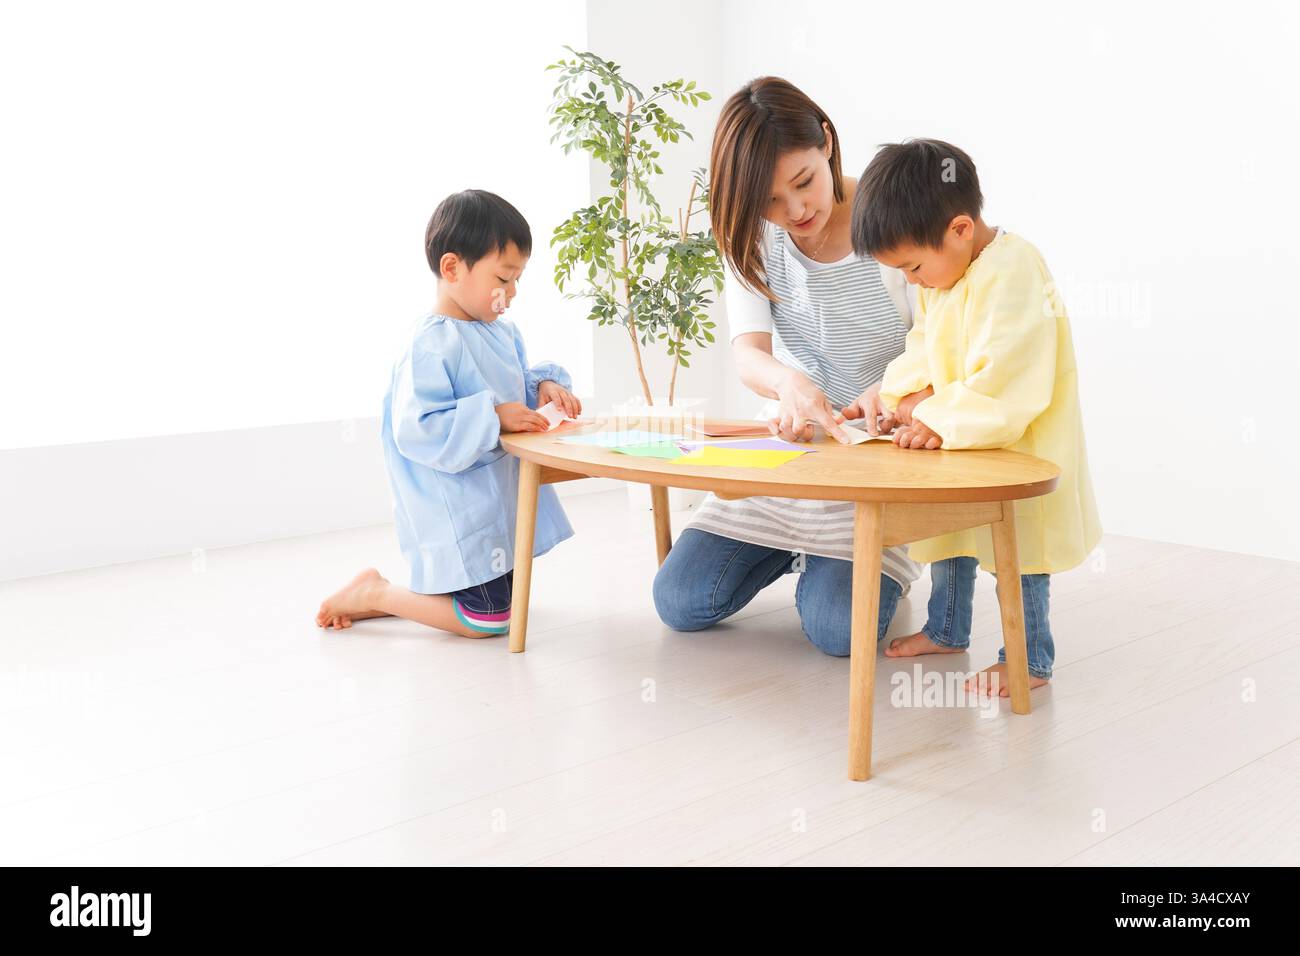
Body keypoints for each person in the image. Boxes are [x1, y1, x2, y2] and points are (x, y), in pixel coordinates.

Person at [652, 76, 923, 656]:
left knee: (837, 630)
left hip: (877, 452)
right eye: (771, 202)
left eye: (804, 183)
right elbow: (749, 352)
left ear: (826, 141)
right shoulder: (751, 235)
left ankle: (840, 567)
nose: (796, 211)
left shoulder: (894, 220)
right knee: (679, 601)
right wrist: (788, 385)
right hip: (794, 449)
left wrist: (892, 392)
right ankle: (802, 549)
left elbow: (937, 345)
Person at [850, 139, 1102, 695]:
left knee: (1021, 556)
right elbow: (923, 345)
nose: (912, 281)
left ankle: (1030, 660)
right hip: (964, 441)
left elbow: (1008, 376)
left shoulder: (1015, 269)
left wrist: (936, 416)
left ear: (960, 229)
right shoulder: (944, 275)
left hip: (1017, 447)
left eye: (913, 266)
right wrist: (896, 396)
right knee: (952, 532)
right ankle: (946, 628)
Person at [316, 189, 581, 637]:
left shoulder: (501, 333)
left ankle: (411, 599)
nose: (512, 293)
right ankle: (376, 592)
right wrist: (493, 417)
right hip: (460, 502)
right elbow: (418, 428)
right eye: (503, 278)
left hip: (496, 497)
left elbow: (515, 385)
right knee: (489, 621)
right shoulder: (431, 343)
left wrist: (544, 386)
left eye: (518, 280)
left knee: (508, 594)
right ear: (453, 268)